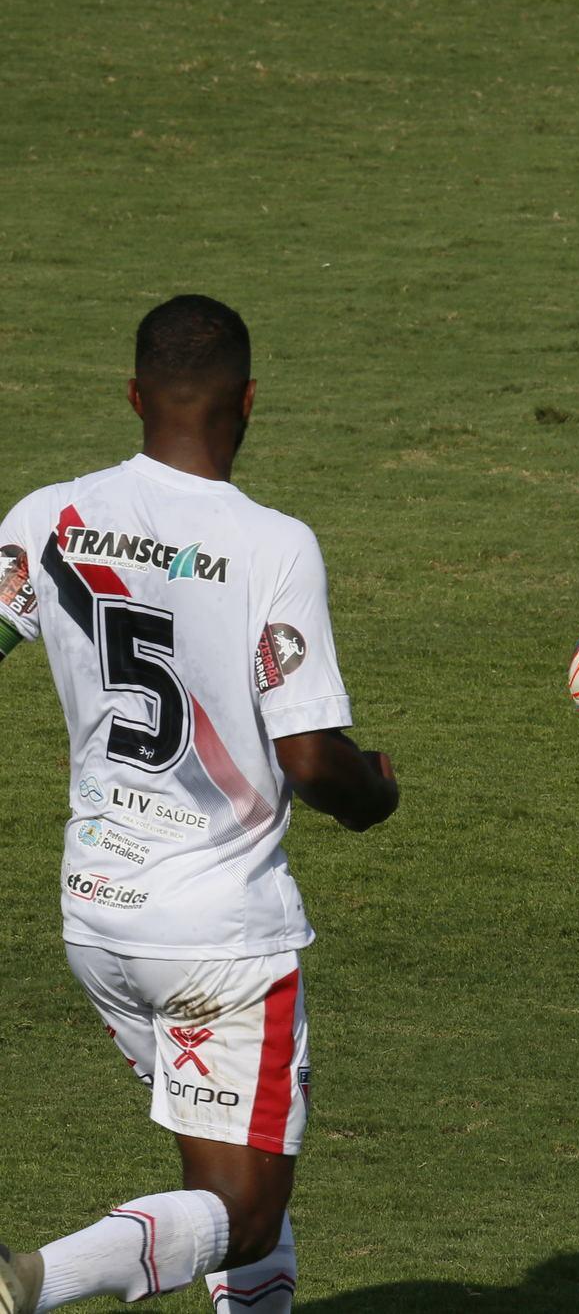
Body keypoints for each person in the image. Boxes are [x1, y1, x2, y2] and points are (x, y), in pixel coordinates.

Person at [0, 296, 400, 1314]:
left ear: (134, 396)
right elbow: (312, 759)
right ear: (251, 401)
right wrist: (375, 795)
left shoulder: (48, 516)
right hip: (222, 941)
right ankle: (29, 1284)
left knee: (238, 1178)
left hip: (98, 920)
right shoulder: (271, 544)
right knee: (245, 1207)